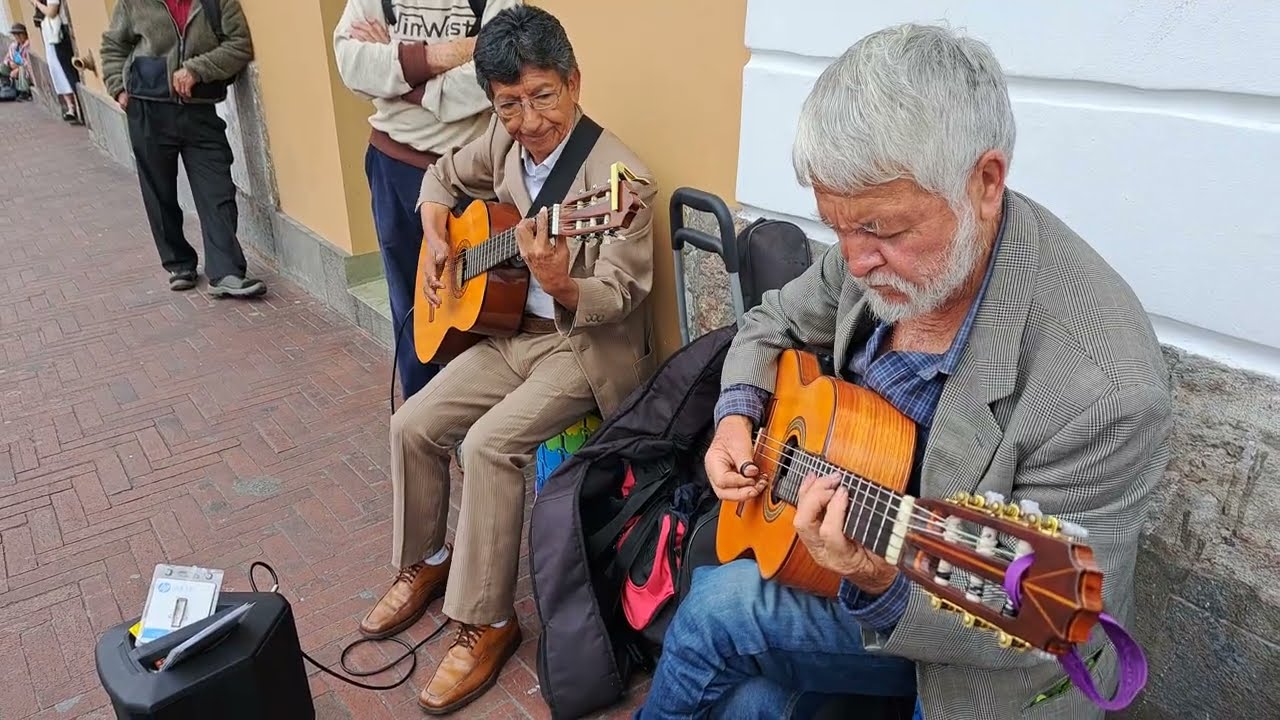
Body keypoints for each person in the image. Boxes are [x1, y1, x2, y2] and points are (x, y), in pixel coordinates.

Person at [637, 23, 1173, 720]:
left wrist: (876, 577)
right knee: (750, 701)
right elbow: (770, 322)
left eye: (883, 232)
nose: (855, 261)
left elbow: (1051, 619)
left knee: (715, 609)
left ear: (985, 183)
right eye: (838, 226)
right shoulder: (867, 244)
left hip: (980, 665)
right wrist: (737, 414)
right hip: (839, 566)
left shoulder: (1106, 388)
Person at [356, 5, 657, 714]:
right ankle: (428, 563)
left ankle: (487, 620)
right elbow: (440, 178)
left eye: (543, 96)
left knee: (490, 445)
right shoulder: (501, 142)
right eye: (509, 104)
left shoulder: (622, 181)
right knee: (413, 422)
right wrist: (438, 232)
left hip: (580, 350)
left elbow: (622, 292)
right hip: (510, 337)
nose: (529, 119)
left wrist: (560, 283)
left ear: (574, 82)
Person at [334, 0, 522, 400]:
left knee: (476, 311)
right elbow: (352, 64)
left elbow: (488, 77)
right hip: (392, 165)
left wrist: (397, 70)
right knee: (412, 307)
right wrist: (452, 52)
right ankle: (422, 423)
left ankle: (473, 426)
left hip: (468, 176)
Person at [100, 0, 265, 298]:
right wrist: (118, 88)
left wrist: (197, 69)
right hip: (148, 109)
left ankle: (225, 271)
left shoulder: (218, 3)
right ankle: (179, 264)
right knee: (159, 192)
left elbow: (240, 46)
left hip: (199, 109)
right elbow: (114, 46)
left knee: (217, 190)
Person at [29, 0, 78, 121]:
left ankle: (74, 106)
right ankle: (70, 105)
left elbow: (51, 12)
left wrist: (37, 4)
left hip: (57, 33)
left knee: (64, 69)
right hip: (49, 33)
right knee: (56, 69)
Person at [2, 23, 32, 100]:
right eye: (15, 34)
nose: (17, 37)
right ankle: (6, 84)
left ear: (25, 34)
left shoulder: (28, 45)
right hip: (14, 66)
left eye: (20, 34)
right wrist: (9, 63)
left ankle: (24, 92)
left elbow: (28, 63)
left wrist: (18, 68)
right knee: (2, 67)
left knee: (22, 69)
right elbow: (6, 58)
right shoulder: (14, 46)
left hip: (25, 70)